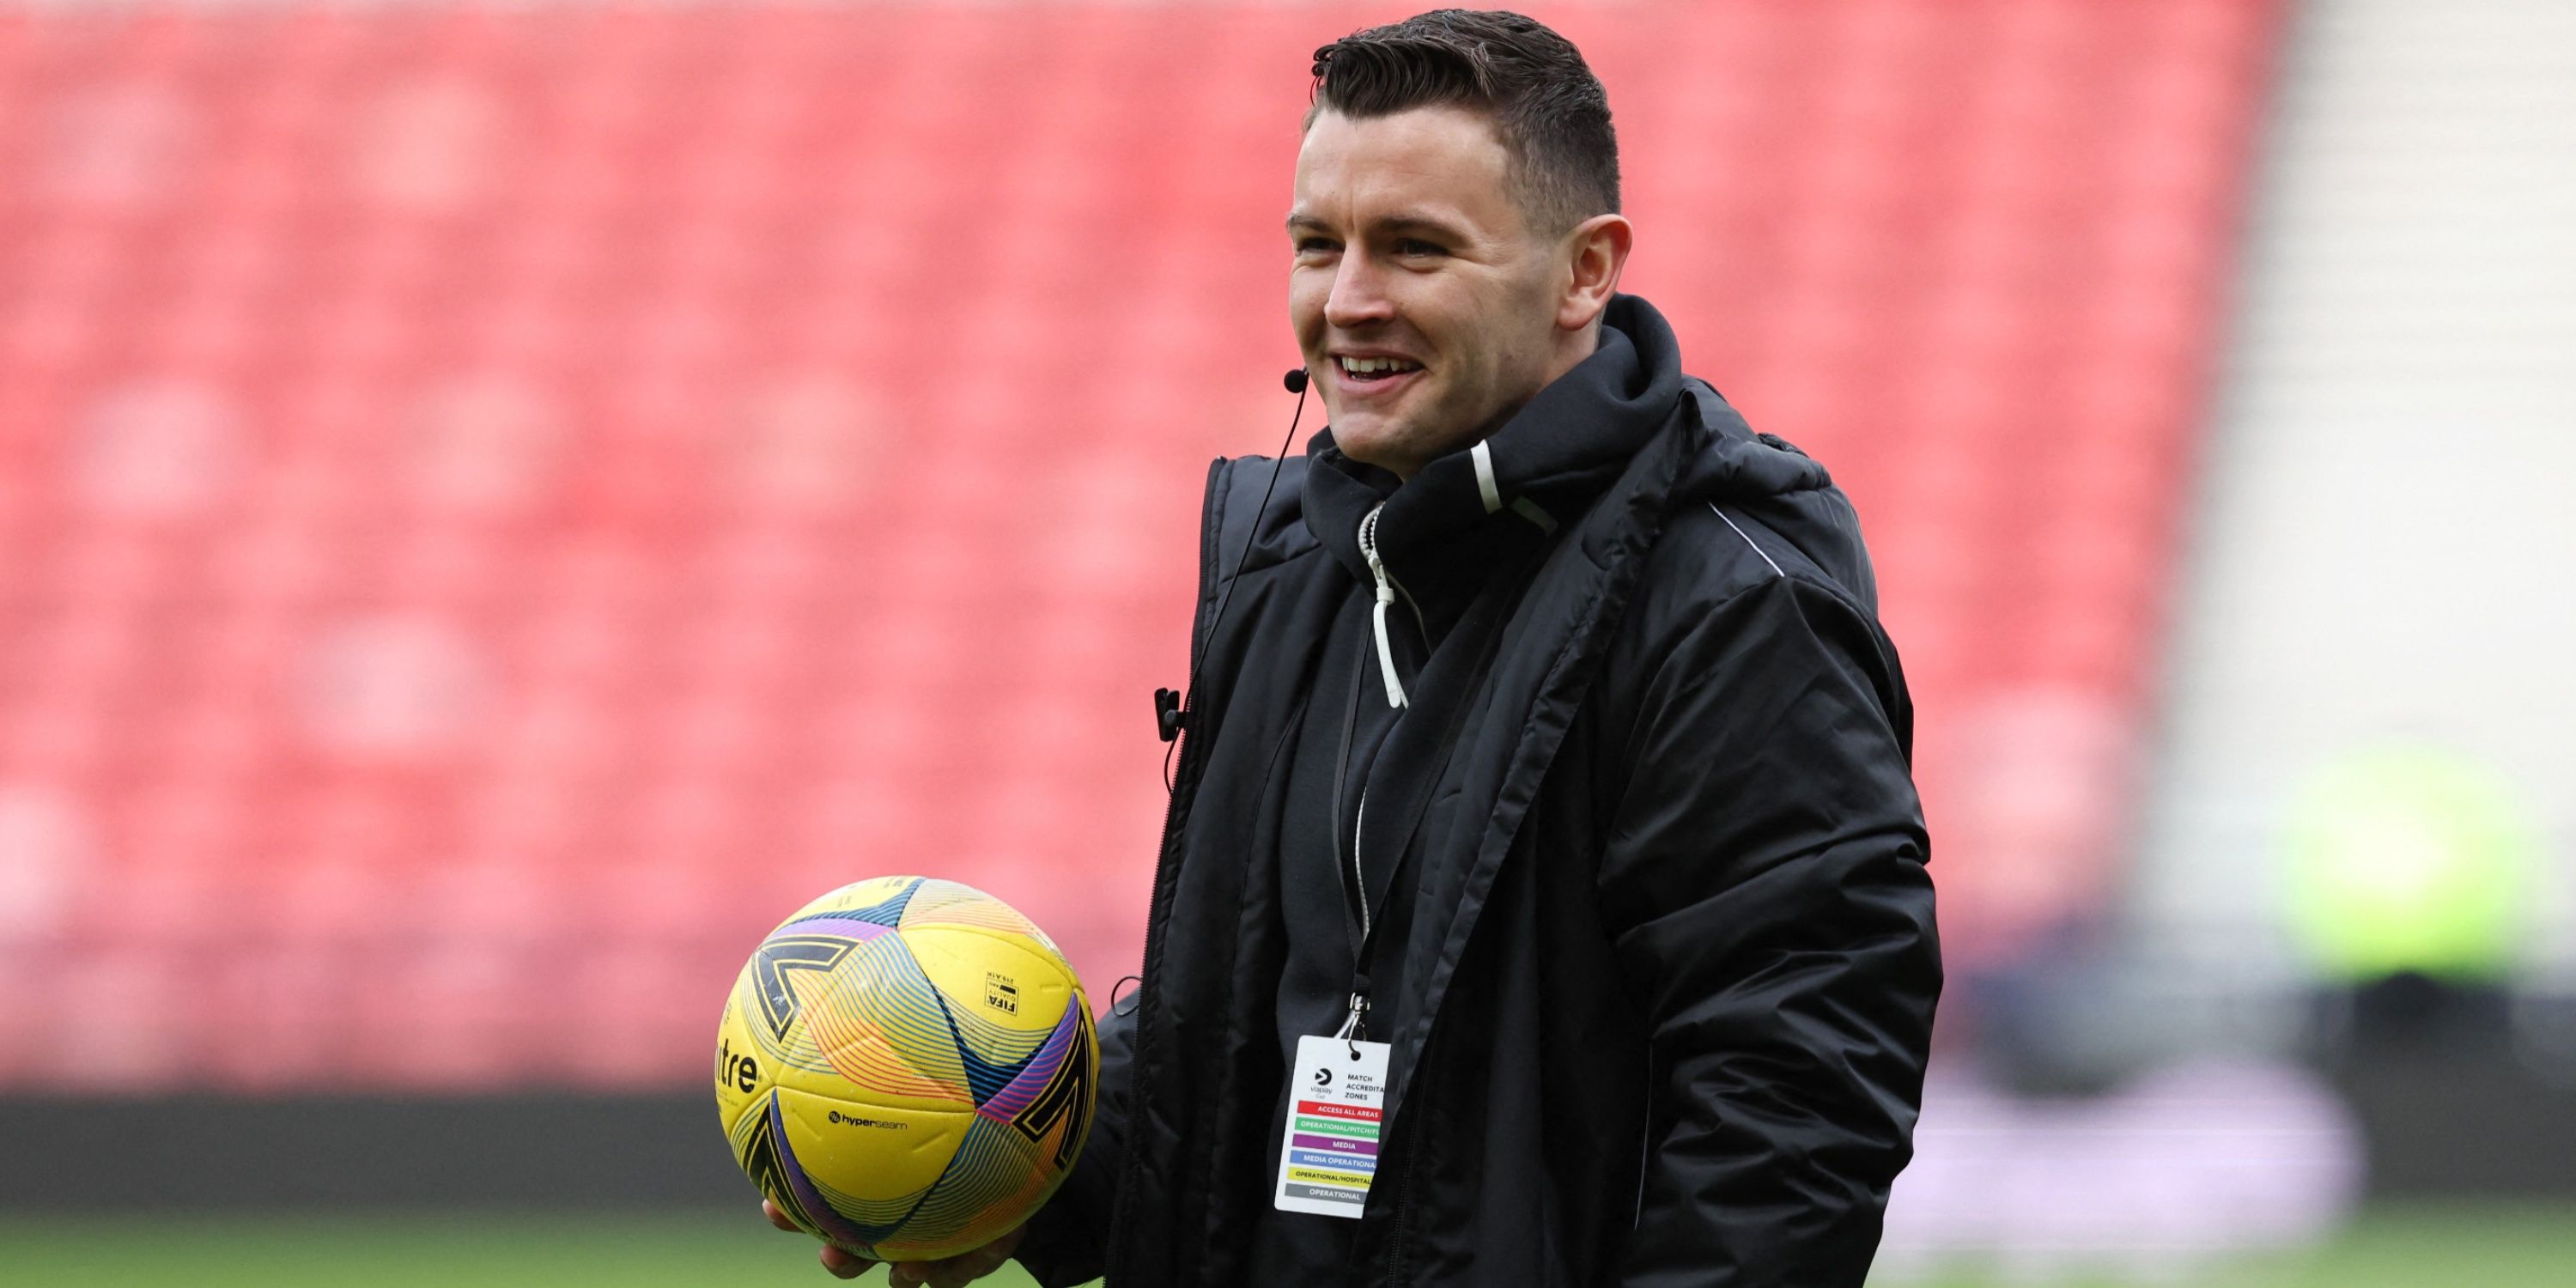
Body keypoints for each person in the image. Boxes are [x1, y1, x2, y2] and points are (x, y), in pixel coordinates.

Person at [771, 9, 1939, 1285]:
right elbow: (1247, 1009)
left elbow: (1795, 1108)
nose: (1348, 301)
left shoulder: (1732, 605)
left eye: (1415, 248)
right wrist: (1036, 1179)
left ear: (1585, 273)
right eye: (1317, 245)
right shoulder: (1287, 565)